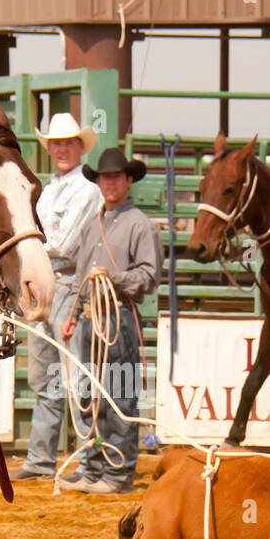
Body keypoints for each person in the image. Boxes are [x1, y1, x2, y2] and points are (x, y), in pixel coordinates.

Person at [58, 148, 161, 495]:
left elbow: (148, 276)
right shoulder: (93, 225)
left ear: (129, 180)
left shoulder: (141, 225)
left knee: (119, 396)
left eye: (117, 176)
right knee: (89, 397)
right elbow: (79, 278)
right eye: (106, 177)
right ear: (99, 182)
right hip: (89, 321)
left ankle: (118, 474)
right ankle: (93, 468)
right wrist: (71, 316)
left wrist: (113, 279)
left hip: (119, 319)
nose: (111, 183)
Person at [11, 113, 103, 482]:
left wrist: (28, 253)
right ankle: (41, 458)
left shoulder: (87, 189)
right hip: (45, 284)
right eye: (56, 143)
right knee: (45, 375)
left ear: (80, 147)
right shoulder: (48, 190)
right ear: (49, 148)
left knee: (75, 375)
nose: (62, 148)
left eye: (68, 142)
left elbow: (64, 243)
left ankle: (89, 462)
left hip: (67, 285)